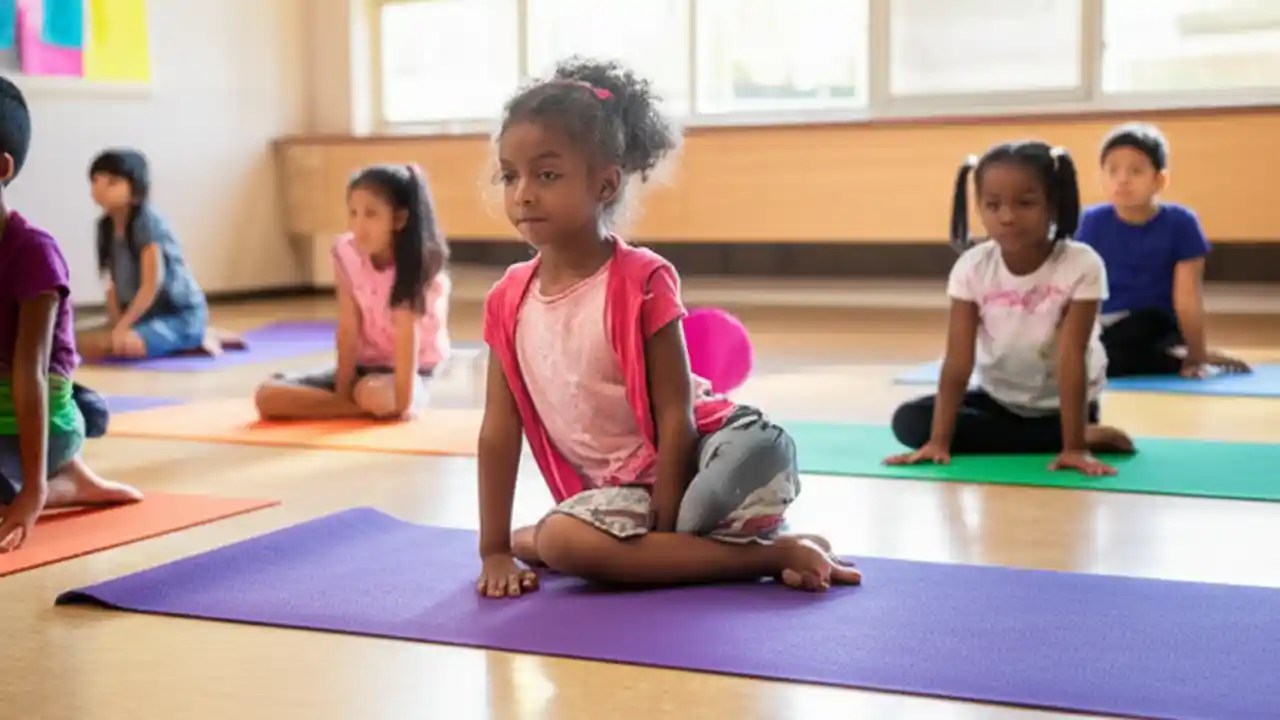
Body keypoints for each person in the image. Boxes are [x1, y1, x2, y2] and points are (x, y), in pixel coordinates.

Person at [474, 57, 861, 599]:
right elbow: (498, 431)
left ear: (605, 184)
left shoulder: (642, 278)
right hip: (628, 484)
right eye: (510, 175)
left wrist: (666, 524)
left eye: (547, 174)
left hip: (713, 451)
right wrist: (494, 549)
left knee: (582, 534)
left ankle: (770, 552)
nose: (523, 194)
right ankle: (761, 547)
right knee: (551, 539)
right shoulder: (507, 300)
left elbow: (676, 413)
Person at [885, 141, 1133, 477]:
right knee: (909, 422)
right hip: (1000, 399)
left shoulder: (1082, 264)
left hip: (1064, 406)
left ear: (1054, 204)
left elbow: (1072, 357)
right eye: (993, 205)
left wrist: (1075, 448)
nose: (1007, 217)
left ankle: (1071, 435)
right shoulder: (972, 267)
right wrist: (938, 442)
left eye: (1026, 203)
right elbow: (958, 360)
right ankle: (1048, 439)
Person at [0, 78, 141, 552]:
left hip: (33, 423)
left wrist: (34, 491)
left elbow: (30, 374)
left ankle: (61, 480)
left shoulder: (34, 254)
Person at [253, 165, 451, 420]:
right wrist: (342, 390)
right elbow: (348, 328)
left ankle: (376, 403)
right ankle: (356, 408)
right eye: (353, 213)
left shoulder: (417, 266)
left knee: (374, 394)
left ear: (399, 219)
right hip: (365, 369)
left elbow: (407, 339)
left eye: (371, 214)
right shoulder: (346, 253)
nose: (358, 224)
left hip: (408, 371)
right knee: (267, 395)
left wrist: (402, 403)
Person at [1077, 123, 1250, 378]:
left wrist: (1197, 353)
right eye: (1112, 171)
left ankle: (1180, 356)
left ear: (1160, 179)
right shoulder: (1090, 221)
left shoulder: (1181, 223)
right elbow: (1075, 289)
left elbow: (1188, 298)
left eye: (1135, 171)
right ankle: (1164, 360)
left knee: (1141, 328)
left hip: (1155, 325)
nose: (1122, 180)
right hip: (1106, 328)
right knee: (1095, 354)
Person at [78, 148, 214, 360]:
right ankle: (179, 339)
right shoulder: (105, 227)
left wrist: (122, 328)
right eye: (95, 180)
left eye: (112, 182)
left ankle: (196, 335)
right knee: (81, 342)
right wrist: (116, 326)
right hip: (144, 318)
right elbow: (111, 285)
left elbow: (152, 285)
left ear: (136, 190)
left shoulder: (148, 223)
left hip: (178, 315)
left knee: (127, 344)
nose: (100, 189)